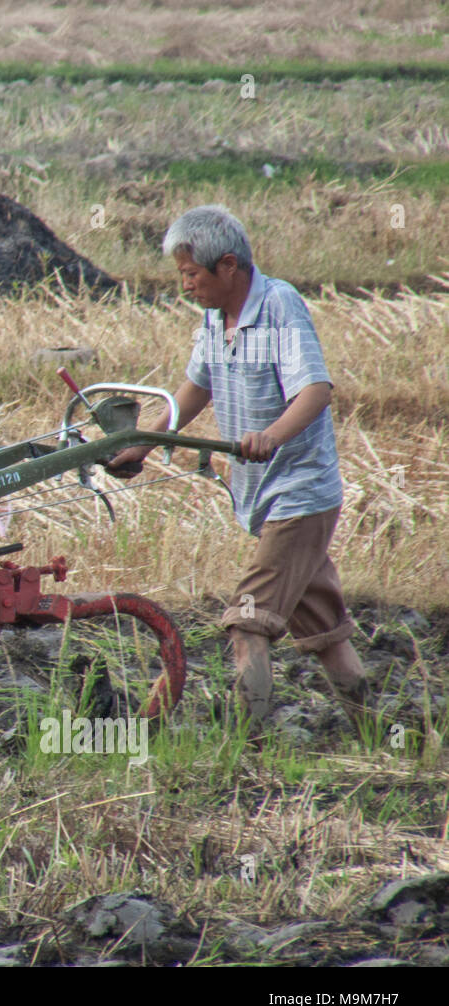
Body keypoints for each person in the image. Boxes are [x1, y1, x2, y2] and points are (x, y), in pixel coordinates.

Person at [106, 204, 371, 738]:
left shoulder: (278, 306)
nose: (185, 286)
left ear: (227, 265)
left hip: (299, 497)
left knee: (247, 622)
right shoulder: (214, 318)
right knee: (327, 637)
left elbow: (315, 389)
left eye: (190, 274)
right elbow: (196, 387)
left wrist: (271, 435)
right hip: (261, 498)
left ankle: (244, 749)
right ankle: (385, 734)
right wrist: (146, 441)